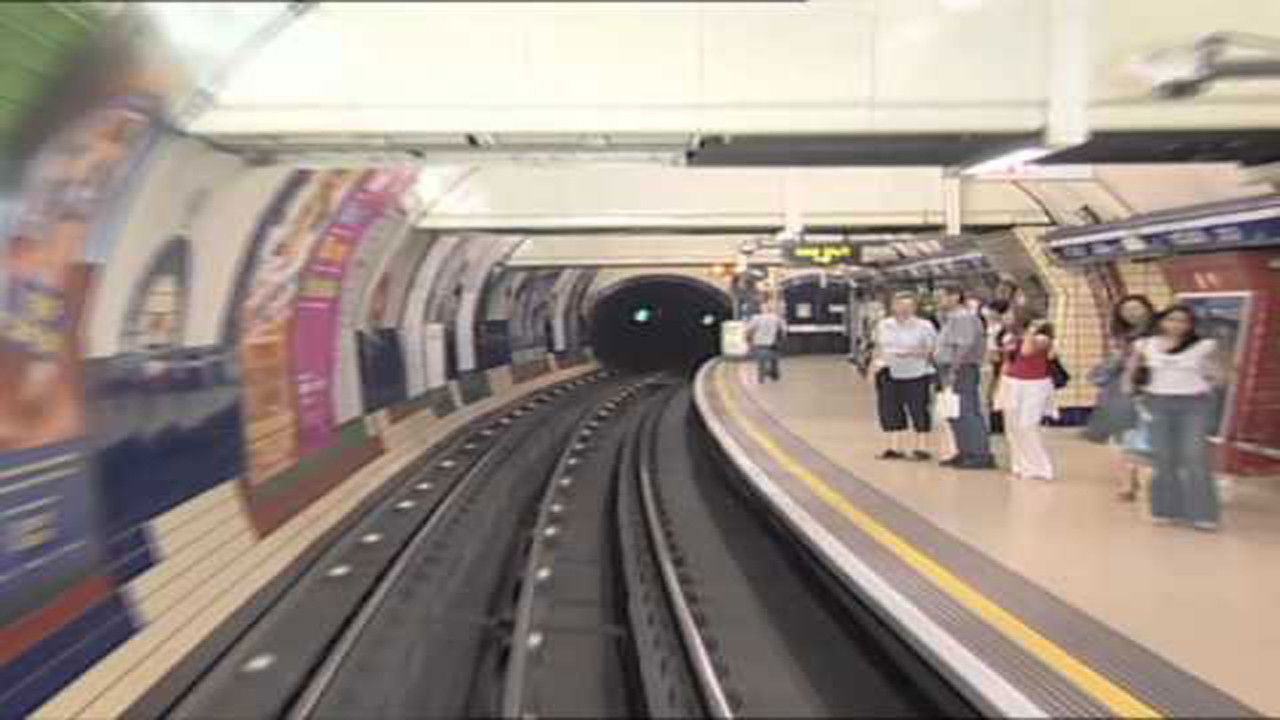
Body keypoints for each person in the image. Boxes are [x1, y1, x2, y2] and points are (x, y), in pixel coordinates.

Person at [1124, 305, 1226, 531]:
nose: (1177, 325)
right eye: (1172, 319)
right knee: (1163, 457)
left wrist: (1213, 374)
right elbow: (1130, 373)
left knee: (1194, 456)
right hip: (1157, 403)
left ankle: (1203, 513)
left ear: (1191, 324)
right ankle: (1165, 509)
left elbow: (1220, 376)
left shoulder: (1204, 346)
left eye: (1183, 321)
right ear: (1162, 321)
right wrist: (1130, 391)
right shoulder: (1145, 345)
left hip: (1194, 405)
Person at [1088, 295, 1156, 500]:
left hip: (1150, 389)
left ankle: (1138, 481)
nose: (1132, 314)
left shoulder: (1156, 337)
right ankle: (1128, 483)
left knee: (1142, 438)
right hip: (1124, 390)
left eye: (1137, 308)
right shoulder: (1122, 338)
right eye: (1127, 311)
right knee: (1123, 438)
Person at [934, 287, 997, 469]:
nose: (938, 301)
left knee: (966, 410)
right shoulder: (951, 318)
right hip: (951, 368)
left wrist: (954, 367)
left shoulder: (963, 317)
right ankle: (965, 450)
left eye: (941, 296)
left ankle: (978, 454)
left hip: (961, 369)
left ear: (955, 296)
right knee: (955, 412)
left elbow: (964, 345)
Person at [871, 292, 937, 461]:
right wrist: (872, 370)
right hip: (888, 370)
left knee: (918, 408)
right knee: (889, 408)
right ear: (893, 306)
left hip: (916, 371)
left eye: (909, 306)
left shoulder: (925, 326)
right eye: (900, 305)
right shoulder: (884, 325)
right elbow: (878, 348)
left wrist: (914, 353)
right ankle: (894, 446)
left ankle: (921, 447)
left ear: (915, 308)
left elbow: (933, 349)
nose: (904, 310)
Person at [996, 307, 1057, 482]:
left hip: (1034, 385)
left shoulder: (1042, 338)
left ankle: (1040, 468)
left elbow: (1026, 351)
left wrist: (1030, 330)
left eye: (1009, 314)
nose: (1006, 318)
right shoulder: (1009, 337)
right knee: (1012, 427)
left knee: (1027, 426)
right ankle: (1020, 466)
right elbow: (1007, 362)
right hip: (1012, 383)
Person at [746, 301, 786, 383]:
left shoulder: (756, 318)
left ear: (762, 309)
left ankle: (761, 376)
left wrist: (748, 339)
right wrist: (782, 339)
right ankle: (774, 374)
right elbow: (783, 330)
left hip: (759, 342)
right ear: (770, 309)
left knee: (760, 360)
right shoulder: (777, 318)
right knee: (774, 359)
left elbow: (749, 329)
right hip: (773, 342)